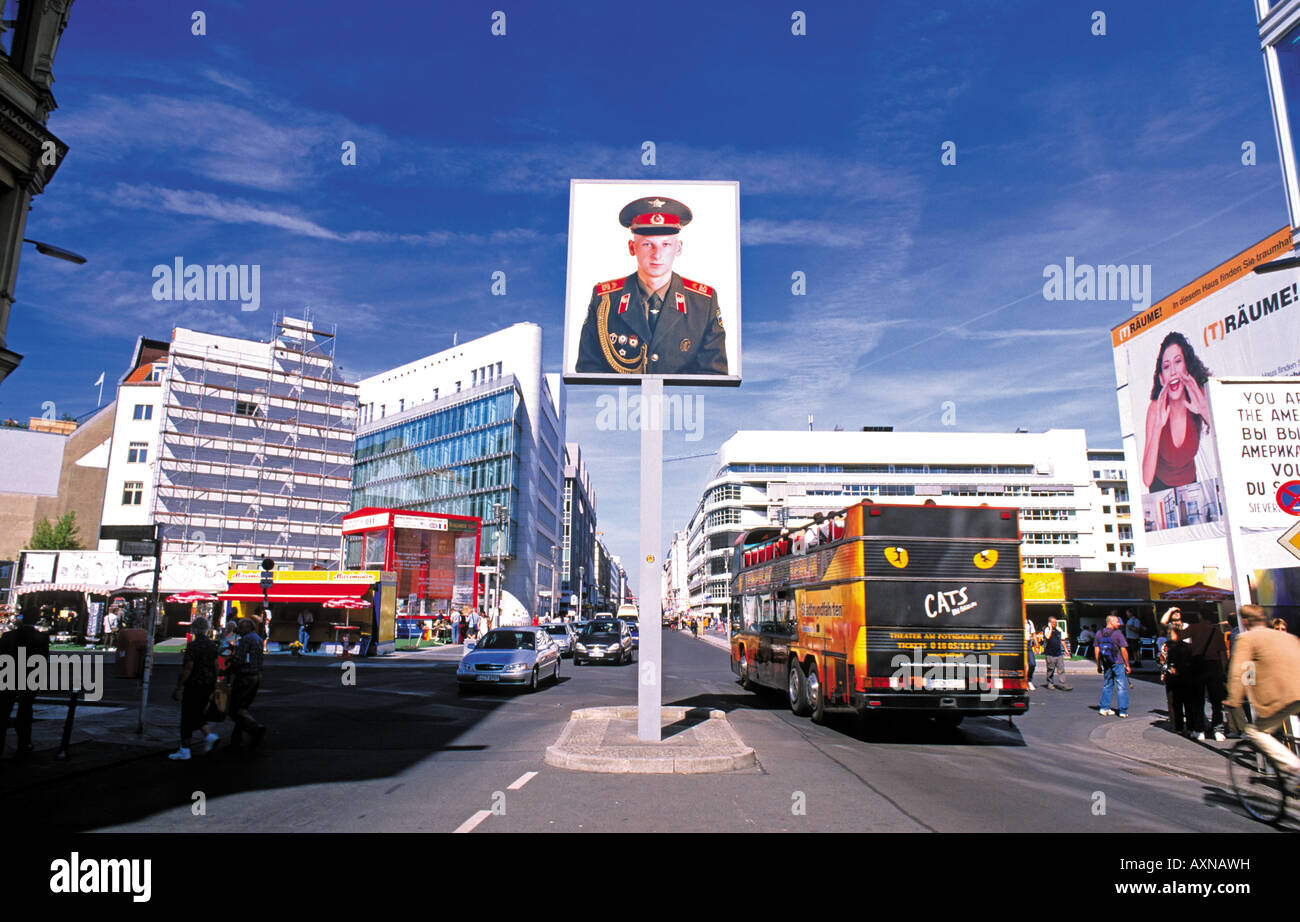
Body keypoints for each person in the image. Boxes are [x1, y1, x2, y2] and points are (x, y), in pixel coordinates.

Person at [575, 195, 728, 376]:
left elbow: (714, 379)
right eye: (648, 244)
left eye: (666, 244)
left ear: (678, 248)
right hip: (621, 395)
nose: (657, 255)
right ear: (632, 247)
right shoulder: (605, 300)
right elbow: (587, 373)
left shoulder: (703, 303)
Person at [1225, 604, 1300, 775]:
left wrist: (1234, 698)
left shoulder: (1246, 638)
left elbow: (1239, 671)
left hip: (1278, 698)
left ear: (1245, 621)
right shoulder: (1289, 638)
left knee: (1255, 731)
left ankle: (1293, 767)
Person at [1141, 331, 1212, 492]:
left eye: (1178, 361)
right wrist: (1158, 428)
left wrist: (1204, 411)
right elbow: (1146, 478)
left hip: (1191, 485)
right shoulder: (1155, 408)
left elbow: (1228, 443)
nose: (1173, 371)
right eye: (1166, 366)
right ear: (1161, 378)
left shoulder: (1197, 396)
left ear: (1187, 368)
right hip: (1160, 488)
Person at [0, 609, 50, 759]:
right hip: (29, 677)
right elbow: (42, 660)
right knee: (25, 710)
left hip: (8, 676)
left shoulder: (8, 636)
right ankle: (24, 743)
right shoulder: (41, 638)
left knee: (3, 712)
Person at [169, 617, 220, 760]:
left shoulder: (193, 646)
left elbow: (188, 667)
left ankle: (186, 748)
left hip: (194, 684)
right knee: (198, 711)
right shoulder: (212, 645)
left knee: (188, 715)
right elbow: (216, 665)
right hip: (208, 683)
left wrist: (178, 686)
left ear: (194, 629)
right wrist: (215, 681)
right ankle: (208, 736)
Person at [1183, 612, 1229, 741]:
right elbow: (1222, 653)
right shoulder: (1217, 632)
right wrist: (1223, 671)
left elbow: (1177, 637)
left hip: (1198, 666)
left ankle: (1199, 730)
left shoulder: (1195, 629)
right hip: (1214, 667)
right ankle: (1218, 729)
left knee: (1198, 700)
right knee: (1216, 701)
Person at [224, 617, 266, 751]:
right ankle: (236, 741)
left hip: (244, 677)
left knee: (235, 709)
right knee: (243, 707)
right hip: (255, 676)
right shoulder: (258, 639)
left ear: (246, 628)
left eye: (241, 628)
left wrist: (228, 667)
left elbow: (239, 660)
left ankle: (254, 728)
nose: (239, 631)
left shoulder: (246, 640)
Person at [1162, 623, 1196, 735]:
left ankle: (1185, 726)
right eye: (1168, 633)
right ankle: (1179, 726)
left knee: (1184, 703)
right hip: (1176, 679)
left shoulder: (1184, 647)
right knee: (1176, 703)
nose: (1169, 635)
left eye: (1170, 633)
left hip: (1181, 678)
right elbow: (1162, 660)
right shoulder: (1168, 646)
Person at [1094, 614, 1130, 718]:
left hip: (1106, 662)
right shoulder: (1118, 634)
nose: (1119, 624)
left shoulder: (1099, 633)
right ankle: (1123, 711)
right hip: (1118, 662)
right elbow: (1123, 650)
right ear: (1110, 622)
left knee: (1107, 684)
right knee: (1121, 686)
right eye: (1117, 621)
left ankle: (1104, 708)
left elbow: (1097, 650)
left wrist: (1098, 664)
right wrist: (1127, 665)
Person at [1041, 616, 1072, 690]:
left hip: (1058, 653)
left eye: (1055, 622)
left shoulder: (1059, 629)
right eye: (1053, 622)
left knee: (1061, 669)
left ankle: (1063, 684)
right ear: (1049, 623)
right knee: (1050, 669)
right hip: (1050, 653)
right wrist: (1050, 628)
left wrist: (1066, 649)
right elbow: (1047, 637)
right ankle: (1050, 683)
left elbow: (1062, 640)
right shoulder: (1047, 629)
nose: (1054, 623)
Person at [1024, 616, 1038, 691]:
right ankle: (1024, 682)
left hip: (1028, 644)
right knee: (1023, 665)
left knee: (1032, 663)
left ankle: (1029, 680)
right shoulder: (1016, 620)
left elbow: (1033, 634)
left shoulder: (1029, 622)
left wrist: (1037, 646)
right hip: (1019, 643)